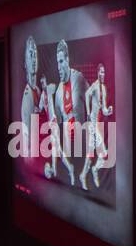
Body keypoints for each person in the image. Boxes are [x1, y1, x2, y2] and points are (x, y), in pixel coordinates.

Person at [47, 39, 86, 186]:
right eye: (57, 62)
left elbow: (94, 103)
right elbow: (54, 124)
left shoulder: (79, 79)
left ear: (68, 60)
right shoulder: (57, 93)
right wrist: (49, 98)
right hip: (68, 152)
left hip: (83, 149)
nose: (59, 67)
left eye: (61, 61)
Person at [79, 62, 113, 190]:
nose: (102, 74)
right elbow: (87, 95)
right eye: (101, 72)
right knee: (99, 154)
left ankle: (85, 174)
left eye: (104, 72)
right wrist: (88, 113)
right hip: (92, 125)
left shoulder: (103, 89)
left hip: (97, 125)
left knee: (97, 154)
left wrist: (108, 111)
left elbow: (103, 109)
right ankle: (88, 173)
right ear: (98, 73)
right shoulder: (94, 86)